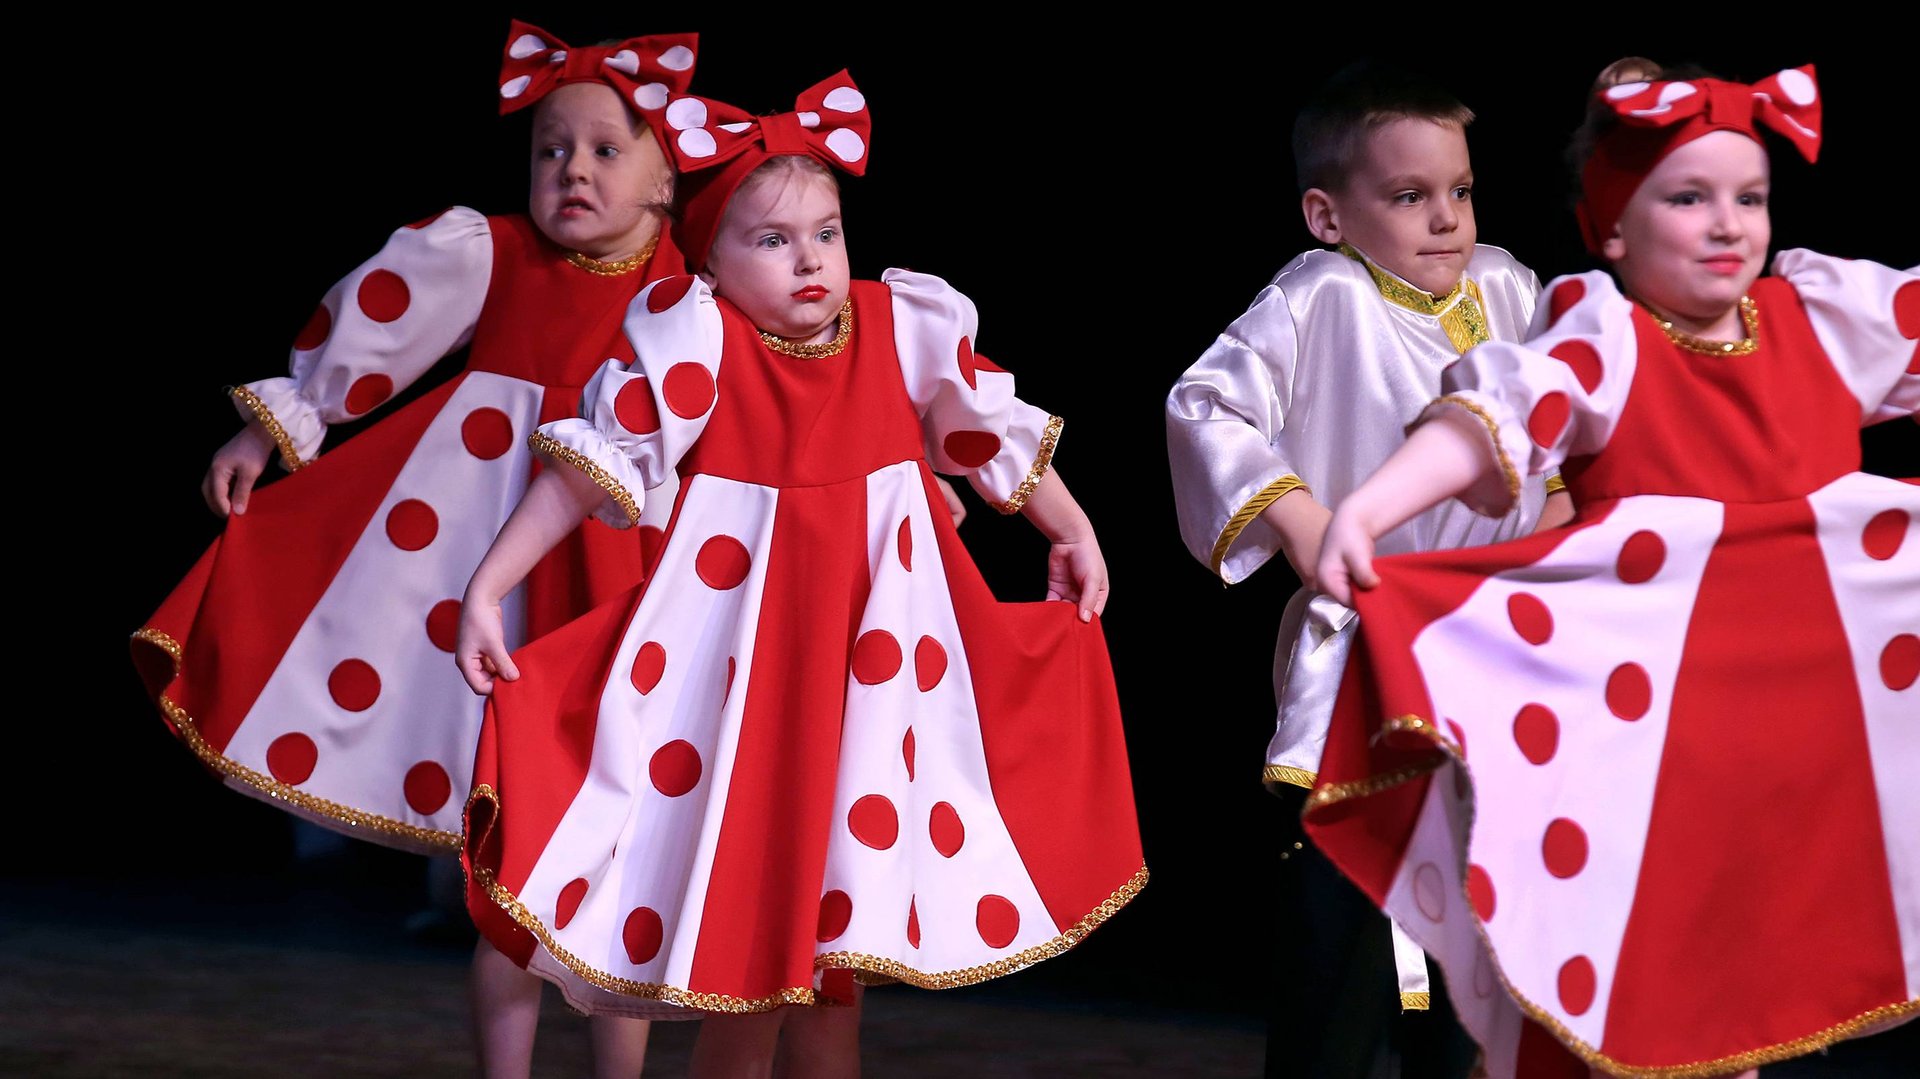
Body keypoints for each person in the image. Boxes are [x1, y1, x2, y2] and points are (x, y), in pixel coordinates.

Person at [456, 73, 1145, 1077]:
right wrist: (489, 583)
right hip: (750, 689)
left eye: (825, 231)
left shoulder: (900, 323)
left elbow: (986, 429)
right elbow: (593, 469)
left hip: (876, 670)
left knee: (833, 973)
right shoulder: (697, 340)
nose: (809, 258)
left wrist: (1071, 523)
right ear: (711, 257)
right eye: (772, 240)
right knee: (756, 967)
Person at [1311, 61, 1917, 1077]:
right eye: (1689, 198)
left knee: (1750, 977)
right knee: (1645, 963)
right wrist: (1369, 508)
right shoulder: (1608, 339)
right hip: (1649, 739)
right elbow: (1492, 423)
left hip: (1801, 736)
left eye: (1750, 198)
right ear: (1614, 231)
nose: (1729, 223)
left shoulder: (1822, 319)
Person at [132, 21, 700, 1078]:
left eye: (606, 151)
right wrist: (275, 421)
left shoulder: (691, 303)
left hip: (629, 581)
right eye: (550, 150)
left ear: (668, 180)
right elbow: (375, 328)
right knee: (507, 864)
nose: (571, 168)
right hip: (482, 572)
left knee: (619, 869)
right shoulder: (489, 253)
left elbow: (776, 417)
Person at [1165, 62, 1566, 1077]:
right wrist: (1298, 516)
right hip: (1367, 651)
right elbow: (1204, 403)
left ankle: (1441, 1048)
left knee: (1458, 921)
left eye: (1460, 191)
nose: (1446, 219)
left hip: (1492, 650)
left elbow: (1563, 423)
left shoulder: (1510, 289)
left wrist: (1560, 517)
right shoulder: (1321, 297)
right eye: (1408, 196)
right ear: (1327, 214)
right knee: (1344, 903)